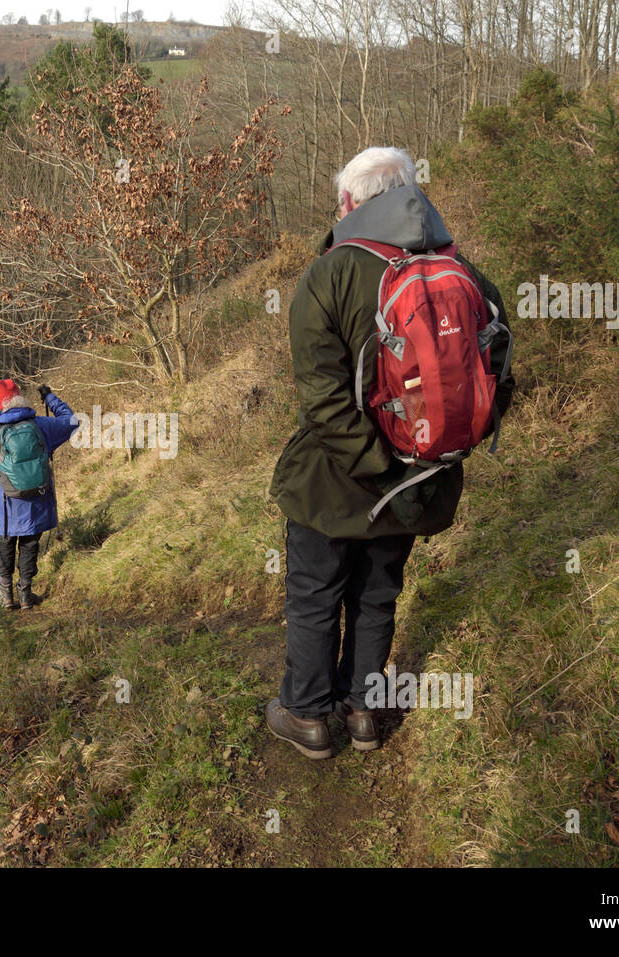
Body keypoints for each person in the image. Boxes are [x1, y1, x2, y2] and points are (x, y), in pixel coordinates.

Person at [266, 147, 516, 759]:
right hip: (418, 480)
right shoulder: (469, 278)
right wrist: (424, 459)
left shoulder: (327, 276)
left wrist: (376, 465)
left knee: (316, 595)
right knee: (377, 594)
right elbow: (498, 381)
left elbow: (325, 406)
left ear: (351, 204)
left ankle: (307, 716)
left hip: (332, 483)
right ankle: (363, 713)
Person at [0, 379, 78, 610]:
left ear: (0, 405)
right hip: (37, 503)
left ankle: (6, 596)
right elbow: (71, 421)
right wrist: (50, 398)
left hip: (7, 508)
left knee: (5, 545)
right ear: (20, 399)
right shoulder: (41, 426)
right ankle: (26, 594)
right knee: (30, 545)